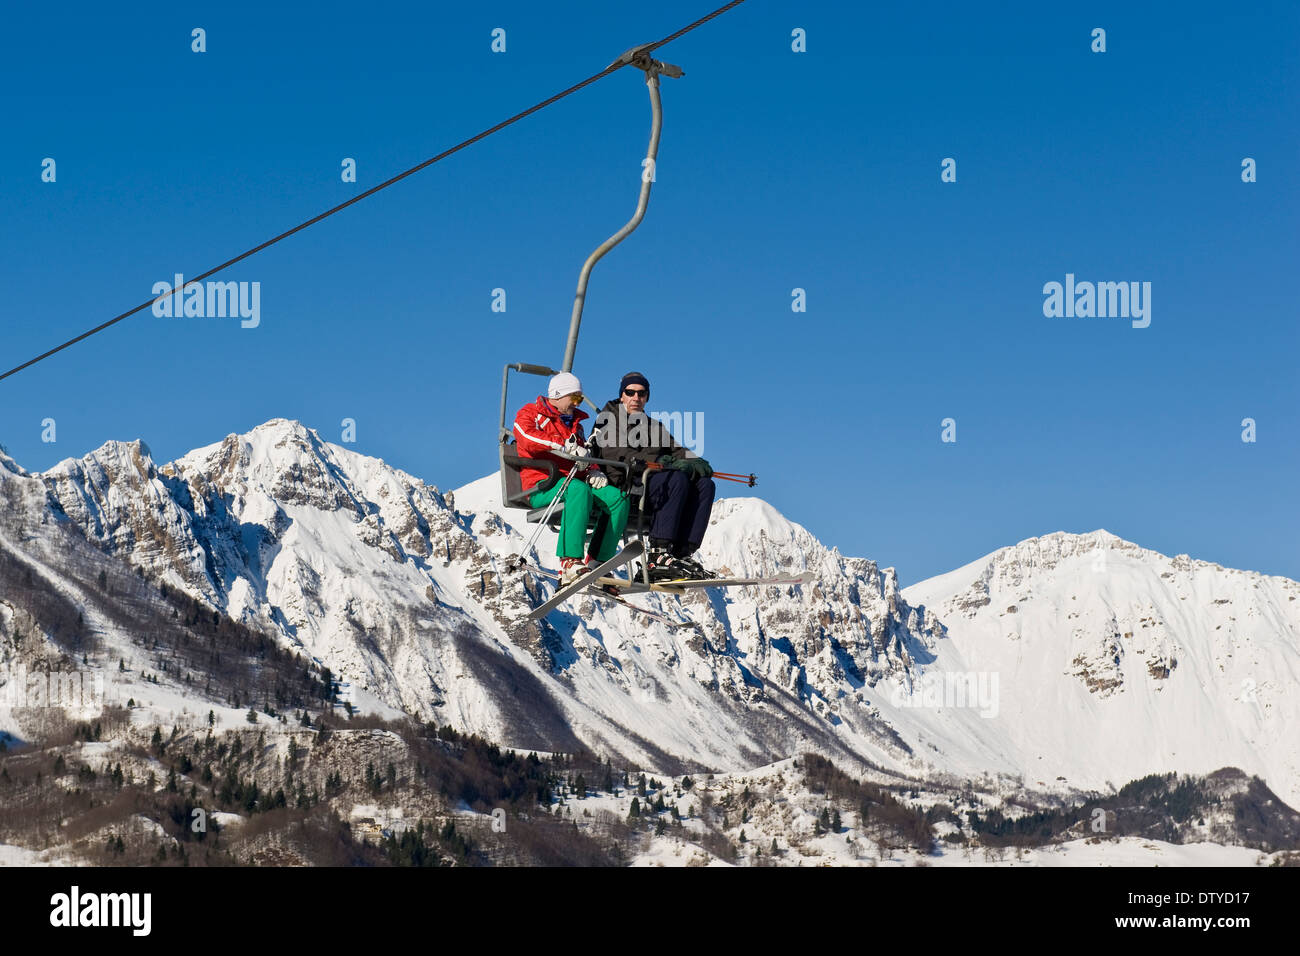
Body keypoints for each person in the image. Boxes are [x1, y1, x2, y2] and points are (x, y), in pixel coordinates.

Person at [590, 371, 715, 581]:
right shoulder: (608, 420)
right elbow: (618, 454)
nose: (636, 398)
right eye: (630, 392)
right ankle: (658, 553)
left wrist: (695, 461)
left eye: (641, 393)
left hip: (652, 483)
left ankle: (682, 552)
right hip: (625, 482)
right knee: (675, 479)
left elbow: (676, 450)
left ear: (647, 397)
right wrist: (663, 464)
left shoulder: (653, 426)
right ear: (622, 395)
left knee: (705, 485)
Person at [513, 372, 629, 586]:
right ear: (557, 395)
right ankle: (569, 562)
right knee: (578, 489)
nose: (577, 404)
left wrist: (593, 469)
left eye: (580, 399)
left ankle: (598, 562)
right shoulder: (531, 413)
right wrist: (561, 444)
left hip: (574, 482)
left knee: (617, 498)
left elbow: (582, 452)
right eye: (574, 398)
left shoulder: (576, 424)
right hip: (542, 485)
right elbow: (525, 436)